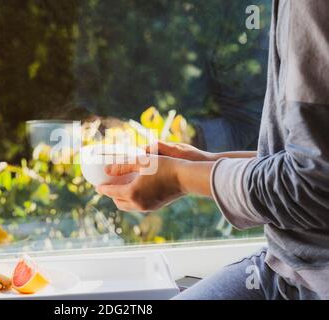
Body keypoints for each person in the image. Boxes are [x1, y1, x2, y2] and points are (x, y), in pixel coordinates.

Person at [96, 0, 329, 300]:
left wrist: (182, 177)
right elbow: (308, 162)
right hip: (286, 267)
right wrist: (204, 163)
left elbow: (312, 186)